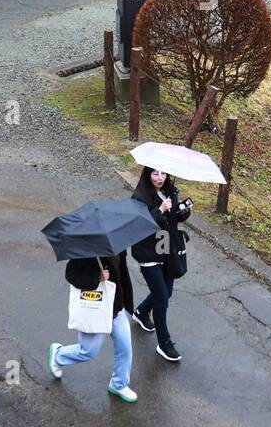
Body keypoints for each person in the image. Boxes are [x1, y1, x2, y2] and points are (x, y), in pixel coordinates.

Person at [48, 250, 137, 403]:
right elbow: (71, 275)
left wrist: (126, 300)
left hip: (116, 306)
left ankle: (119, 384)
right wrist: (97, 277)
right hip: (97, 308)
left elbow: (122, 272)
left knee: (125, 348)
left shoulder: (117, 242)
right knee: (88, 351)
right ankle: (58, 355)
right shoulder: (86, 249)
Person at [129, 166, 191, 362]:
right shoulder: (139, 196)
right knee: (162, 299)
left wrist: (181, 213)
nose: (160, 177)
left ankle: (141, 312)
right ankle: (164, 343)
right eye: (155, 173)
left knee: (166, 292)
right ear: (148, 174)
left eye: (164, 173)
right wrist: (160, 210)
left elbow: (170, 220)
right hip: (147, 250)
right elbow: (140, 226)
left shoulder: (169, 190)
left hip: (166, 247)